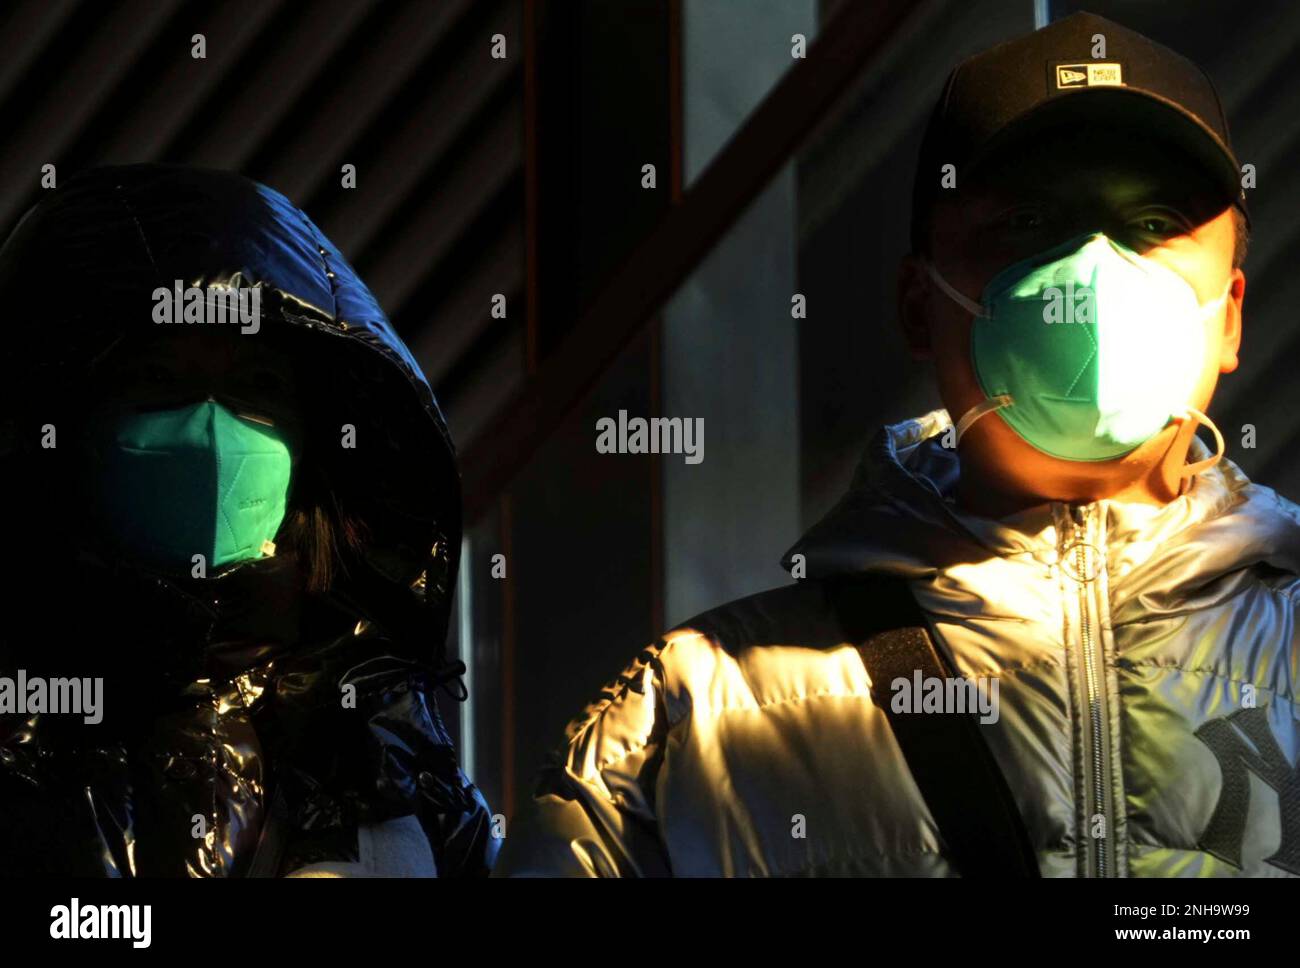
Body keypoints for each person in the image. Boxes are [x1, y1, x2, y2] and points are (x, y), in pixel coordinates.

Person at [493, 13, 1298, 877]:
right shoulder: (689, 722)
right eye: (1028, 220)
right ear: (920, 305)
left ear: (1232, 314)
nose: (1092, 274)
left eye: (1151, 220)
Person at [0, 164, 498, 877]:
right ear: (60, 428)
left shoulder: (387, 765)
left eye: (257, 386)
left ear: (316, 440)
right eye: (157, 380)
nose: (211, 428)